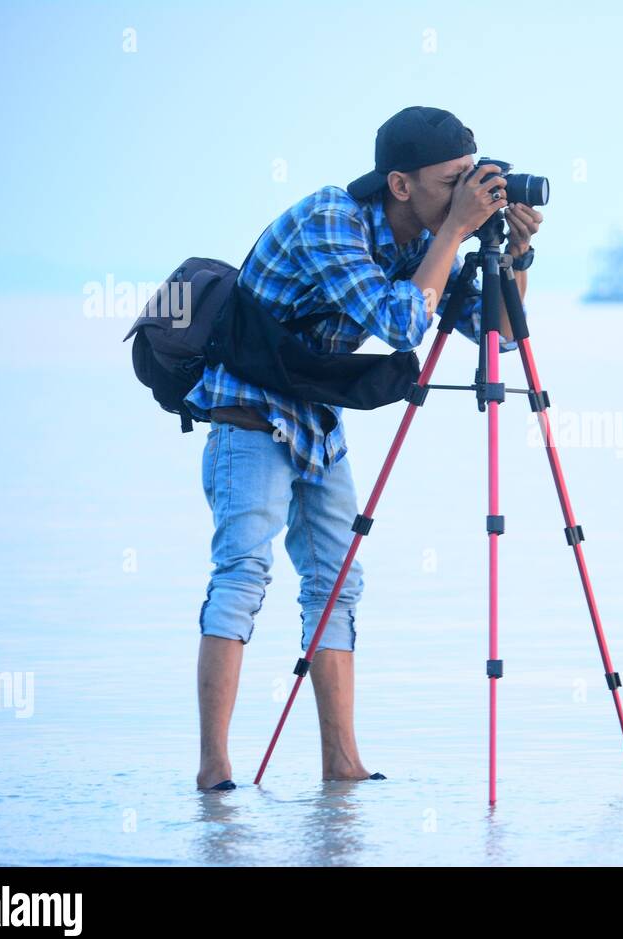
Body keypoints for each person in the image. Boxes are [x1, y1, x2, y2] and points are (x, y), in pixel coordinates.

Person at [183, 106, 543, 791]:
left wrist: (516, 256)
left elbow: (495, 332)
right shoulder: (332, 220)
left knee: (337, 586)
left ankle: (341, 764)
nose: (469, 192)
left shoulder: (421, 237)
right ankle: (214, 773)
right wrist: (458, 234)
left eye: (475, 178)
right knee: (243, 578)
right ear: (400, 185)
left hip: (313, 414)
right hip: (248, 410)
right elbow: (404, 323)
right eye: (453, 181)